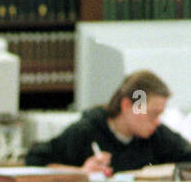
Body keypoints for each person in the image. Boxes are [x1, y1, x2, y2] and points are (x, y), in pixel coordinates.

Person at [25, 70, 191, 174]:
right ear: (127, 105)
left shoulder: (157, 135)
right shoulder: (87, 129)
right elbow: (35, 160)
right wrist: (80, 172)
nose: (157, 122)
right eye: (152, 114)